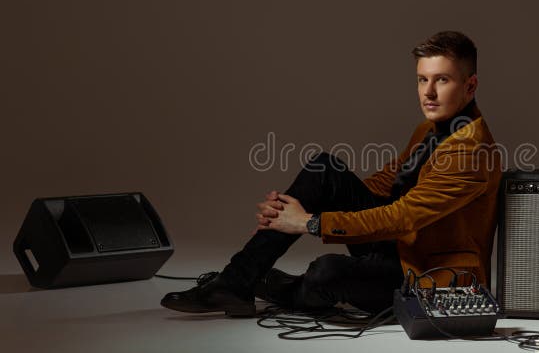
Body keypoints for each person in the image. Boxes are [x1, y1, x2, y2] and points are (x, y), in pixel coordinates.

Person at [161, 30, 503, 316]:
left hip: (425, 273)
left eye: (442, 80)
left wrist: (308, 222)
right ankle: (236, 282)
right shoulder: (430, 129)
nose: (428, 92)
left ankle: (275, 284)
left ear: (470, 86)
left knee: (326, 272)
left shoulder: (470, 150)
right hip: (397, 246)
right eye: (422, 79)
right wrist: (286, 214)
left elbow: (403, 217)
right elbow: (383, 185)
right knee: (324, 169)